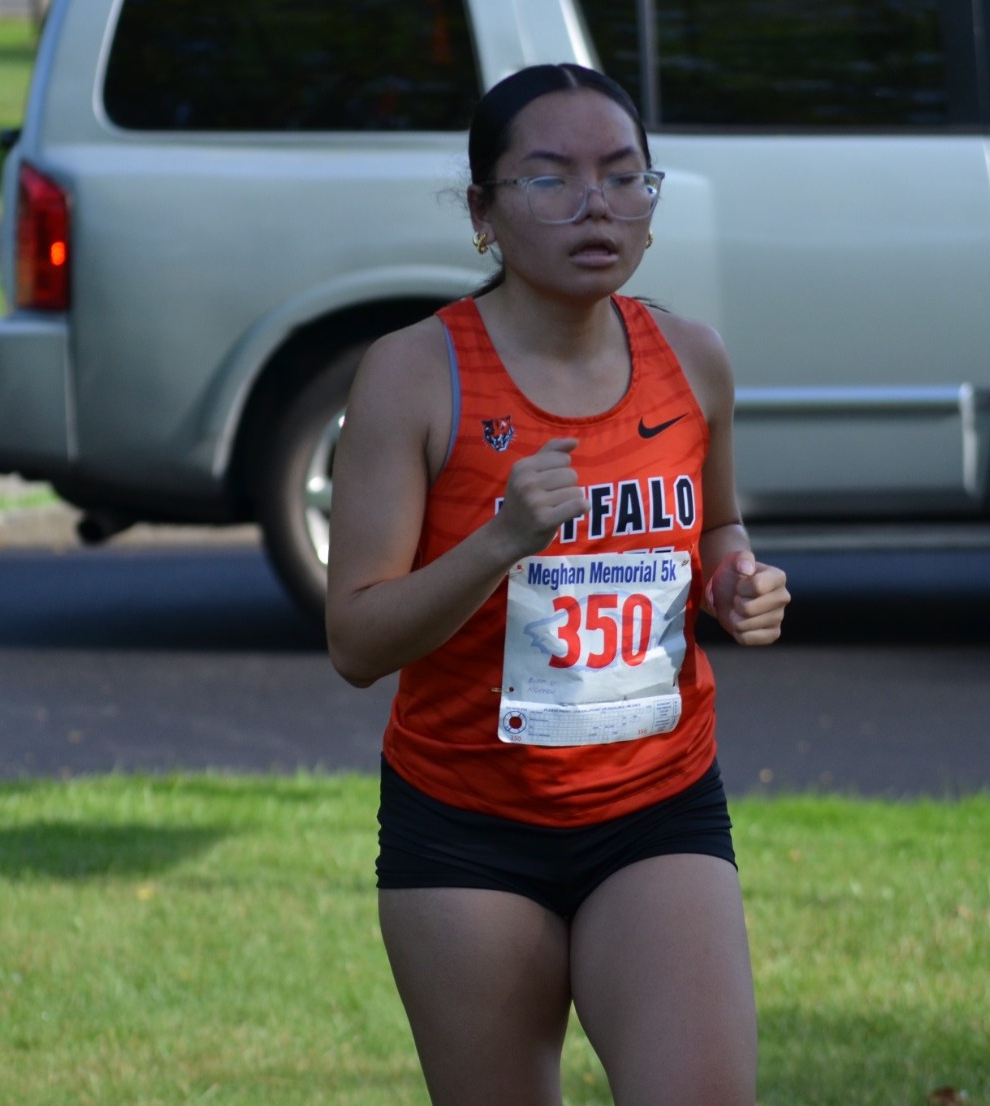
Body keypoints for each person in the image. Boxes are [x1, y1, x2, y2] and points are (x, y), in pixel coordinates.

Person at [325, 62, 791, 1106]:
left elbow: (716, 523)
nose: (595, 205)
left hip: (655, 805)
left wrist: (731, 579)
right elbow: (355, 640)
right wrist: (499, 539)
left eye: (624, 177)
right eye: (549, 179)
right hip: (465, 824)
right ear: (483, 213)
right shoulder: (412, 373)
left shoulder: (691, 359)